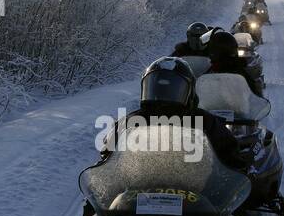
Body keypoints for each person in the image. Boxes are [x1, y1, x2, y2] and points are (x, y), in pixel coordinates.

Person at [99, 57, 248, 172]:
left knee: (238, 208)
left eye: (173, 89)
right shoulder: (131, 122)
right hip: (137, 194)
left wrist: (238, 172)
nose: (165, 95)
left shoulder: (205, 121)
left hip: (199, 196)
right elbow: (106, 160)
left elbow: (231, 154)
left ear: (189, 92)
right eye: (158, 88)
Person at [207, 30, 265, 96]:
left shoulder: (238, 66)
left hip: (236, 103)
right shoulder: (209, 68)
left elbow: (253, 92)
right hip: (217, 103)